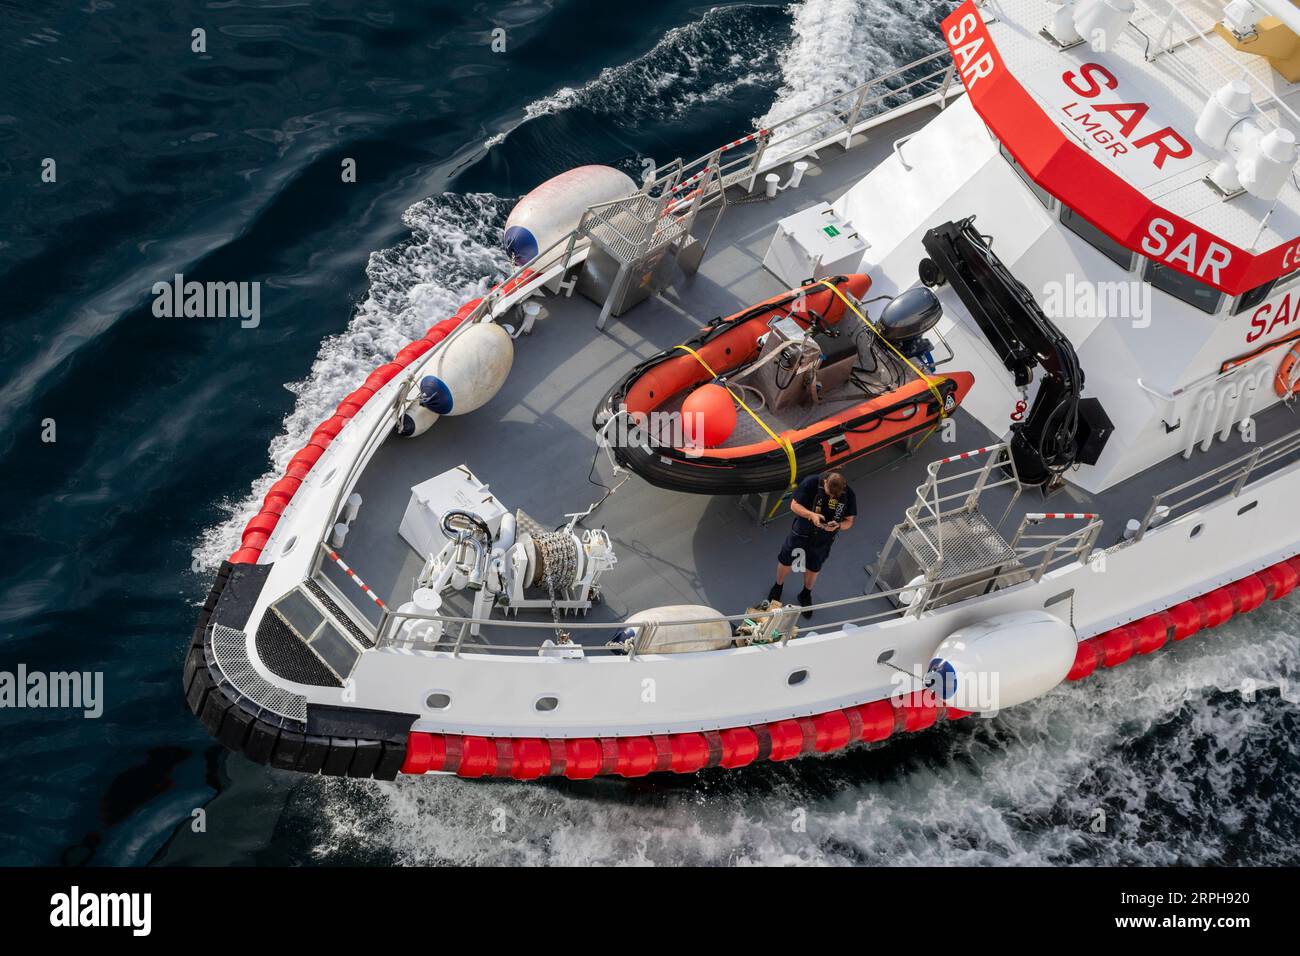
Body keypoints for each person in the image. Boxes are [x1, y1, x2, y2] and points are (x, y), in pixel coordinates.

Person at [768, 471, 856, 618]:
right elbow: (794, 506)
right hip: (801, 532)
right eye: (829, 493)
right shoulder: (810, 482)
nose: (831, 497)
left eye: (835, 496)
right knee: (786, 559)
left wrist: (838, 525)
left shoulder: (849, 495)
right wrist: (812, 515)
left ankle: (805, 594)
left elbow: (849, 522)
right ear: (825, 482)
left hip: (823, 539)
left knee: (814, 567)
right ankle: (778, 586)